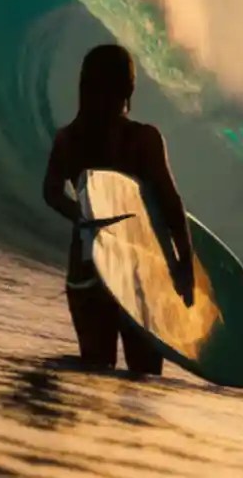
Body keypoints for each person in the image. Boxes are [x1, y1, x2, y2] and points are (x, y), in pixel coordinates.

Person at [42, 44, 194, 374]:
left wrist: (82, 217)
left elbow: (51, 193)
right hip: (140, 273)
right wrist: (184, 265)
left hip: (86, 270)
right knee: (144, 379)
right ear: (129, 89)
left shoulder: (68, 138)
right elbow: (170, 204)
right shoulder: (143, 139)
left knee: (94, 373)